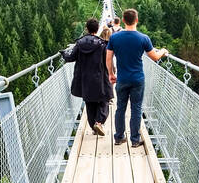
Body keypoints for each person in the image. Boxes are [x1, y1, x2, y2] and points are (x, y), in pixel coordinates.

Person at [105, 8, 166, 147]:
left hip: (122, 78)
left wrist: (111, 74)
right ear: (136, 20)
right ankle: (135, 140)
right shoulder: (144, 38)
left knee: (120, 108)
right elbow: (155, 57)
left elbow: (108, 57)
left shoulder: (114, 37)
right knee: (136, 108)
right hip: (138, 79)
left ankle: (119, 137)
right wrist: (162, 51)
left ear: (123, 20)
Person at [65, 17, 114, 135]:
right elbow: (107, 60)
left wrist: (63, 53)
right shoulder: (102, 44)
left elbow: (70, 57)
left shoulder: (79, 43)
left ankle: (93, 127)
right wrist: (112, 73)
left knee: (90, 103)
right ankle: (99, 123)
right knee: (104, 100)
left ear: (86, 29)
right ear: (97, 29)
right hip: (100, 77)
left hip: (84, 79)